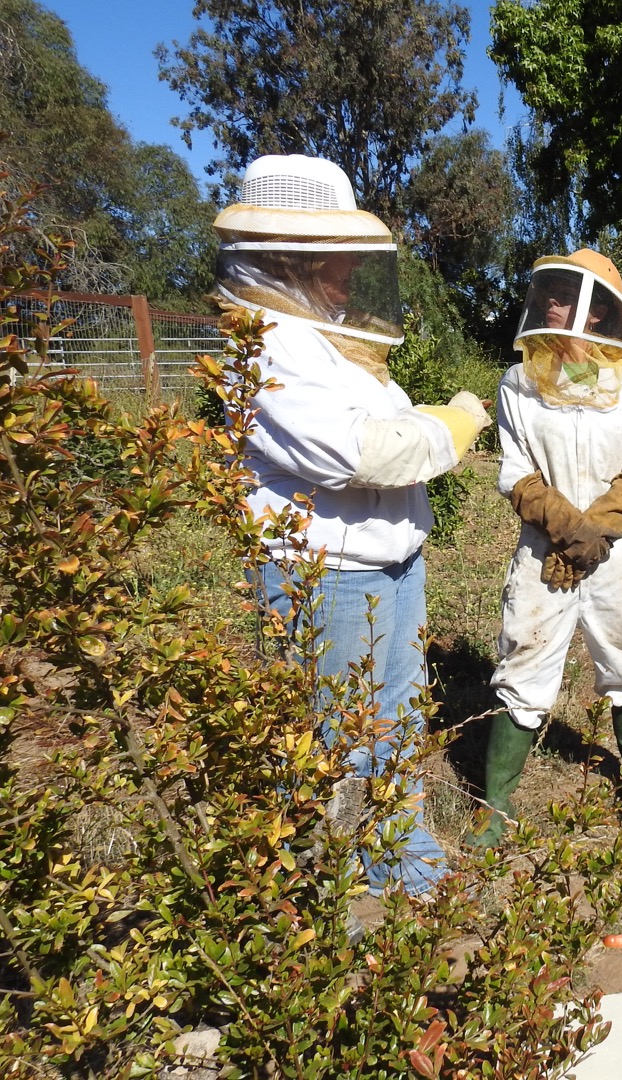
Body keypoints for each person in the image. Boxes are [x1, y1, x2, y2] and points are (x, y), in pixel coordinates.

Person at [211, 153, 491, 894]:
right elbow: (361, 451)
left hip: (387, 562)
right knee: (333, 737)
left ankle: (401, 861)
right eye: (336, 256)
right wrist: (455, 424)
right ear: (290, 256)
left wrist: (430, 423)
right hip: (322, 573)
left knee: (393, 723)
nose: (347, 272)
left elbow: (386, 421)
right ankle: (327, 892)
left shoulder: (326, 336)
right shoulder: (266, 340)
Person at [475, 248, 622, 846]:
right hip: (542, 555)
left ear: (599, 312)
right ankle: (496, 801)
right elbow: (516, 473)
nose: (554, 306)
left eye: (568, 296)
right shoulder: (518, 385)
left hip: (614, 555)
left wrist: (596, 531)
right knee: (524, 659)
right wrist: (564, 526)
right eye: (550, 294)